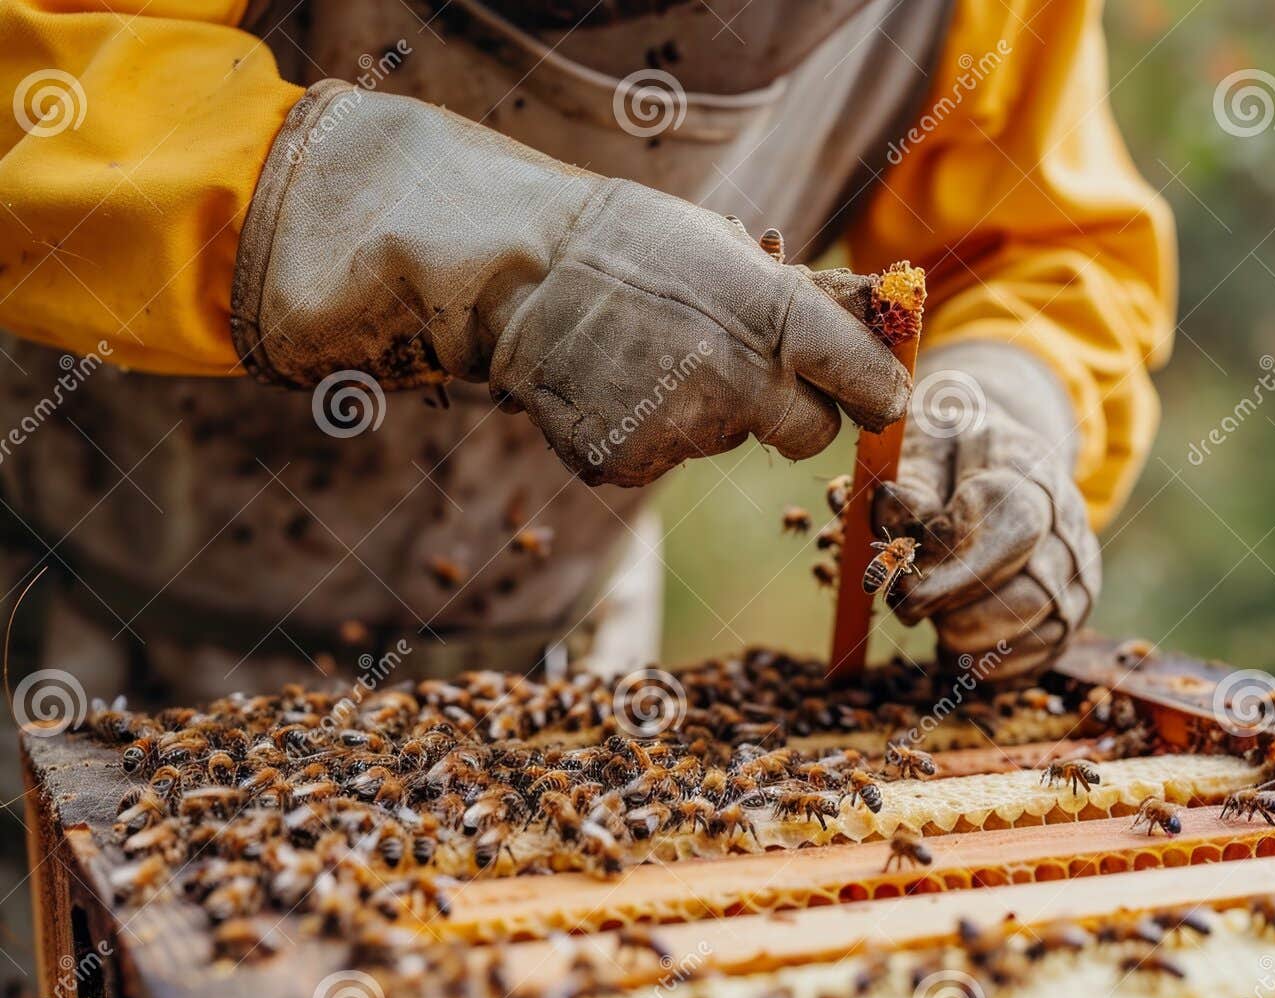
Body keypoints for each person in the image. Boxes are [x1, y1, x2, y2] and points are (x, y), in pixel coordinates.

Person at [0, 0, 1174, 702]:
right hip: (81, 643)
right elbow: (38, 90)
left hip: (567, 686)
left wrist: (1009, 407)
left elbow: (1041, 246)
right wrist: (467, 243)